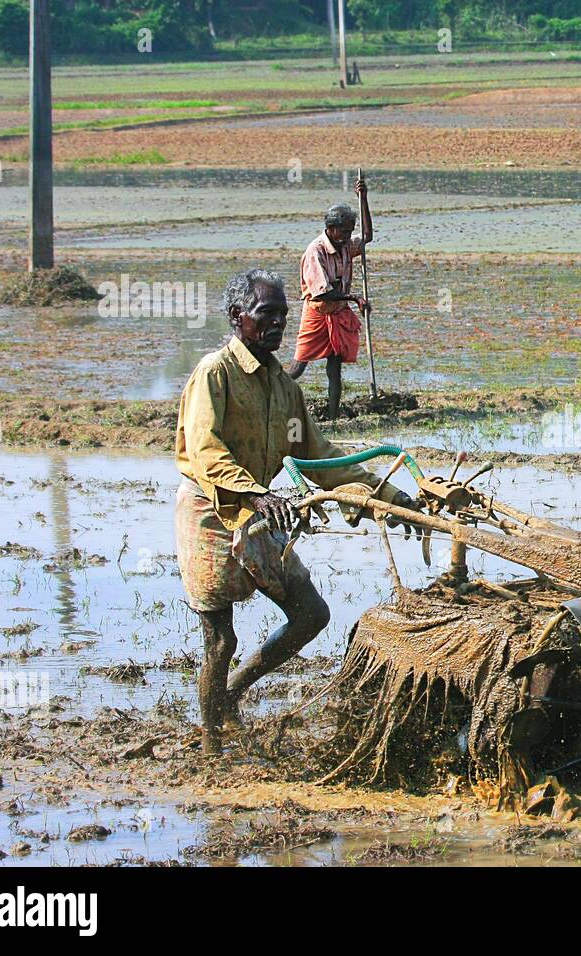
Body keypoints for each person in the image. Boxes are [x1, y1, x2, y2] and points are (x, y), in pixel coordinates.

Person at [175, 268, 419, 756]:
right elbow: (205, 448)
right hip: (211, 511)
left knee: (310, 614)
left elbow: (319, 457)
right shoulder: (215, 374)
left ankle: (229, 697)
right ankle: (210, 745)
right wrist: (252, 492)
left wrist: (388, 498)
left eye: (283, 316)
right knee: (220, 641)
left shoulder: (285, 389)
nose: (277, 324)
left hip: (263, 511)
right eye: (266, 314)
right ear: (237, 317)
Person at [288, 177, 373, 419]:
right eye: (344, 231)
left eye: (349, 231)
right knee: (299, 365)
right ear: (331, 228)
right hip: (318, 312)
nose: (348, 236)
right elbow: (322, 291)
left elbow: (367, 236)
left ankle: (334, 416)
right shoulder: (315, 251)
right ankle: (271, 396)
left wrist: (363, 199)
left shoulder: (345, 245)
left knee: (334, 367)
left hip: (337, 313)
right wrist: (355, 298)